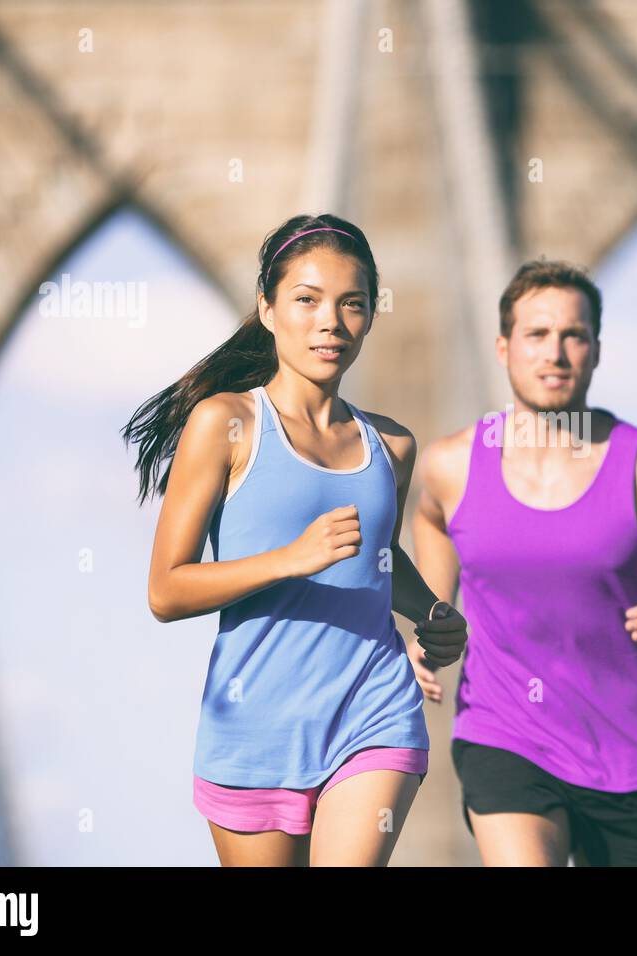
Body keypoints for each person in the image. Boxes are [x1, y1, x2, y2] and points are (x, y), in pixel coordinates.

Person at [122, 213, 468, 867]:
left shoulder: (390, 446)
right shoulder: (224, 423)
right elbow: (166, 589)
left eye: (352, 305)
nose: (329, 322)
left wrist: (432, 613)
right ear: (268, 308)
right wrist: (290, 559)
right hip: (255, 729)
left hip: (373, 708)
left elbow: (378, 565)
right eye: (306, 300)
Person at [411, 259, 637, 866]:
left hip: (630, 758)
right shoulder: (453, 465)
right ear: (504, 347)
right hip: (503, 732)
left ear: (596, 350)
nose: (556, 353)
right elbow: (432, 518)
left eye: (574, 335)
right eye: (537, 335)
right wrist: (435, 615)